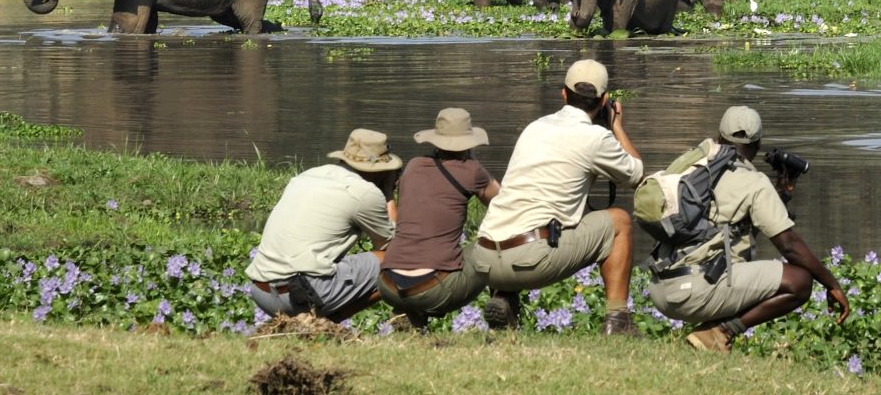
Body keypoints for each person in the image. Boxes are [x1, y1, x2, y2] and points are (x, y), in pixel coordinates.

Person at [649, 106, 849, 353]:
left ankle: (709, 332)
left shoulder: (693, 167)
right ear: (758, 145)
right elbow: (789, 246)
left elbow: (727, 226)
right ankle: (720, 333)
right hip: (693, 294)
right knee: (799, 281)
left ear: (719, 137)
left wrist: (781, 198)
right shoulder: (755, 183)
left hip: (659, 290)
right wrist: (831, 283)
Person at [471, 57, 645, 334]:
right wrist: (616, 126)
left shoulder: (535, 127)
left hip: (484, 258)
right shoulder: (597, 139)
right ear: (604, 101)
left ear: (563, 93)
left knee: (524, 213)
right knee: (620, 221)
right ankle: (618, 320)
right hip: (529, 260)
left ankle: (505, 300)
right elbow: (637, 176)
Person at [245, 128, 401, 322]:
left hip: (260, 292)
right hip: (301, 296)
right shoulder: (365, 192)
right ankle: (323, 323)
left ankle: (314, 324)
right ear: (381, 170)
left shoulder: (307, 175)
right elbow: (393, 248)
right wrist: (387, 193)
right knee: (397, 263)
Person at [377, 107, 501, 329]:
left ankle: (409, 316)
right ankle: (504, 302)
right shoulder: (472, 170)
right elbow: (500, 201)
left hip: (388, 284)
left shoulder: (413, 166)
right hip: (434, 288)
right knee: (493, 250)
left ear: (435, 141)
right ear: (469, 143)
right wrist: (473, 162)